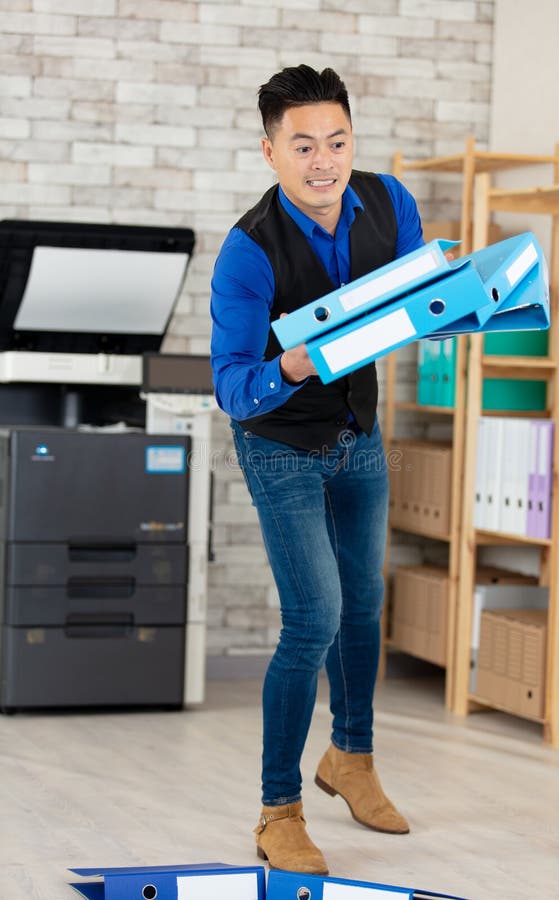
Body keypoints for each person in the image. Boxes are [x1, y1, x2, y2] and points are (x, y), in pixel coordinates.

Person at [210, 64, 425, 876]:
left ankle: (353, 760)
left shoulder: (389, 203)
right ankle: (278, 809)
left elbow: (414, 296)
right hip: (277, 443)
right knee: (315, 619)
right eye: (303, 146)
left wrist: (462, 301)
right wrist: (291, 366)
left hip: (358, 434)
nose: (324, 160)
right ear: (271, 152)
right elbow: (233, 387)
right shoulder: (248, 251)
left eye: (336, 141)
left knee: (365, 603)